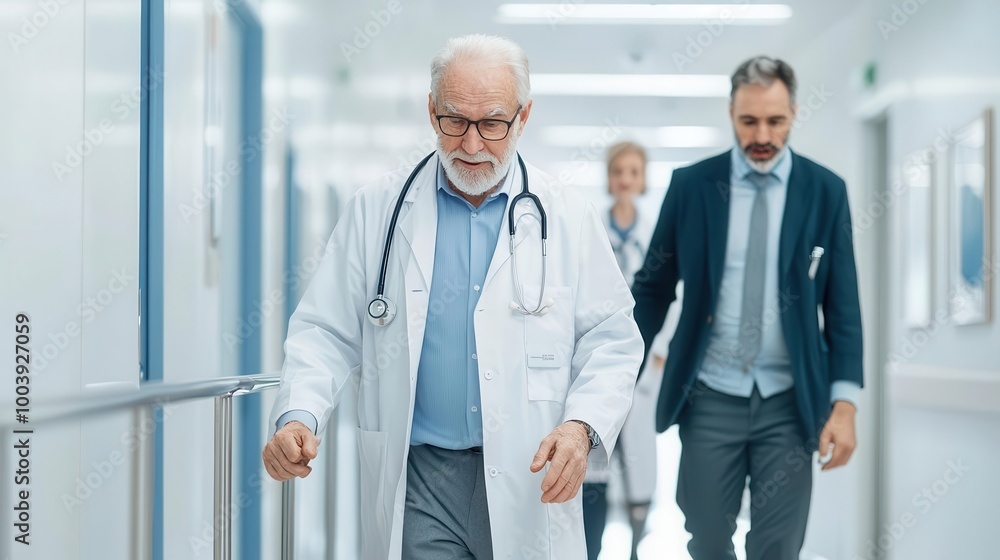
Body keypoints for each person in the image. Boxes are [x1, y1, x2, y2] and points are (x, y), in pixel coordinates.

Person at [261, 34, 643, 560]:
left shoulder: (567, 217)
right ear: (431, 111)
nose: (470, 144)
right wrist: (299, 415)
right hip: (421, 479)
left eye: (491, 123)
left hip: (529, 469)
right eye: (454, 121)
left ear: (523, 116)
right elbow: (325, 330)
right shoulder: (378, 211)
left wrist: (580, 429)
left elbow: (613, 340)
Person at [631, 56, 863, 560]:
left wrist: (844, 405)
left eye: (775, 121)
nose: (762, 135)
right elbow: (652, 288)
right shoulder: (693, 186)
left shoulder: (825, 192)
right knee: (708, 539)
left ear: (794, 114)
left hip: (790, 400)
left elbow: (842, 307)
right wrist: (615, 372)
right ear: (731, 113)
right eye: (749, 121)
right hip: (711, 393)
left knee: (777, 546)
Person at [582, 142, 666, 560]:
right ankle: (591, 550)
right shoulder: (590, 231)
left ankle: (636, 548)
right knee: (594, 469)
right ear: (609, 177)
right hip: (599, 368)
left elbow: (672, 299)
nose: (626, 180)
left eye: (634, 172)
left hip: (644, 374)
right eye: (619, 172)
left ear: (643, 178)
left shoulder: (656, 238)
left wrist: (660, 353)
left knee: (639, 470)